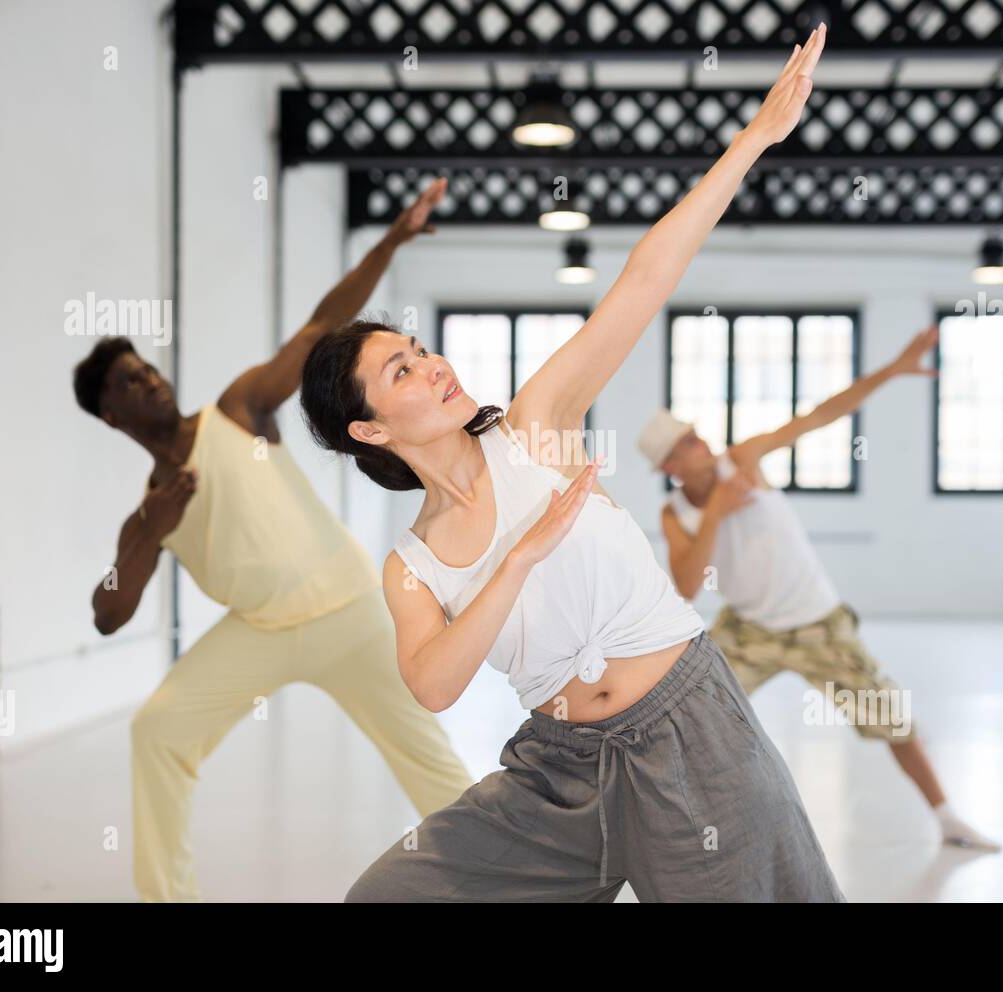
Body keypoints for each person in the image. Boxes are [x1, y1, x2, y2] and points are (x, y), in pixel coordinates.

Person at [301, 25, 846, 902]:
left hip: (690, 739)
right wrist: (519, 556)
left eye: (418, 347)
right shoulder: (411, 570)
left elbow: (642, 278)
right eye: (401, 370)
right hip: (560, 776)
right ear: (368, 430)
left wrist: (754, 141)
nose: (432, 363)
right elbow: (434, 685)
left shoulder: (535, 427)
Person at [74, 179, 476, 902]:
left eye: (149, 368)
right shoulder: (148, 511)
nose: (152, 382)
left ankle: (500, 882)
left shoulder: (237, 410)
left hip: (351, 611)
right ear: (112, 415)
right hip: (259, 631)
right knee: (157, 733)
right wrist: (150, 536)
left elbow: (323, 328)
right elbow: (108, 612)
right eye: (132, 383)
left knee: (431, 762)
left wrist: (391, 238)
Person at [638, 325, 1002, 851]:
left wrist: (892, 370)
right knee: (690, 712)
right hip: (749, 630)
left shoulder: (743, 458)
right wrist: (717, 509)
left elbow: (820, 416)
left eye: (697, 433)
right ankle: (686, 826)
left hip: (818, 623)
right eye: (689, 442)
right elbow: (689, 585)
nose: (704, 443)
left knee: (890, 717)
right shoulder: (676, 513)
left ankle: (947, 818)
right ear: (670, 467)